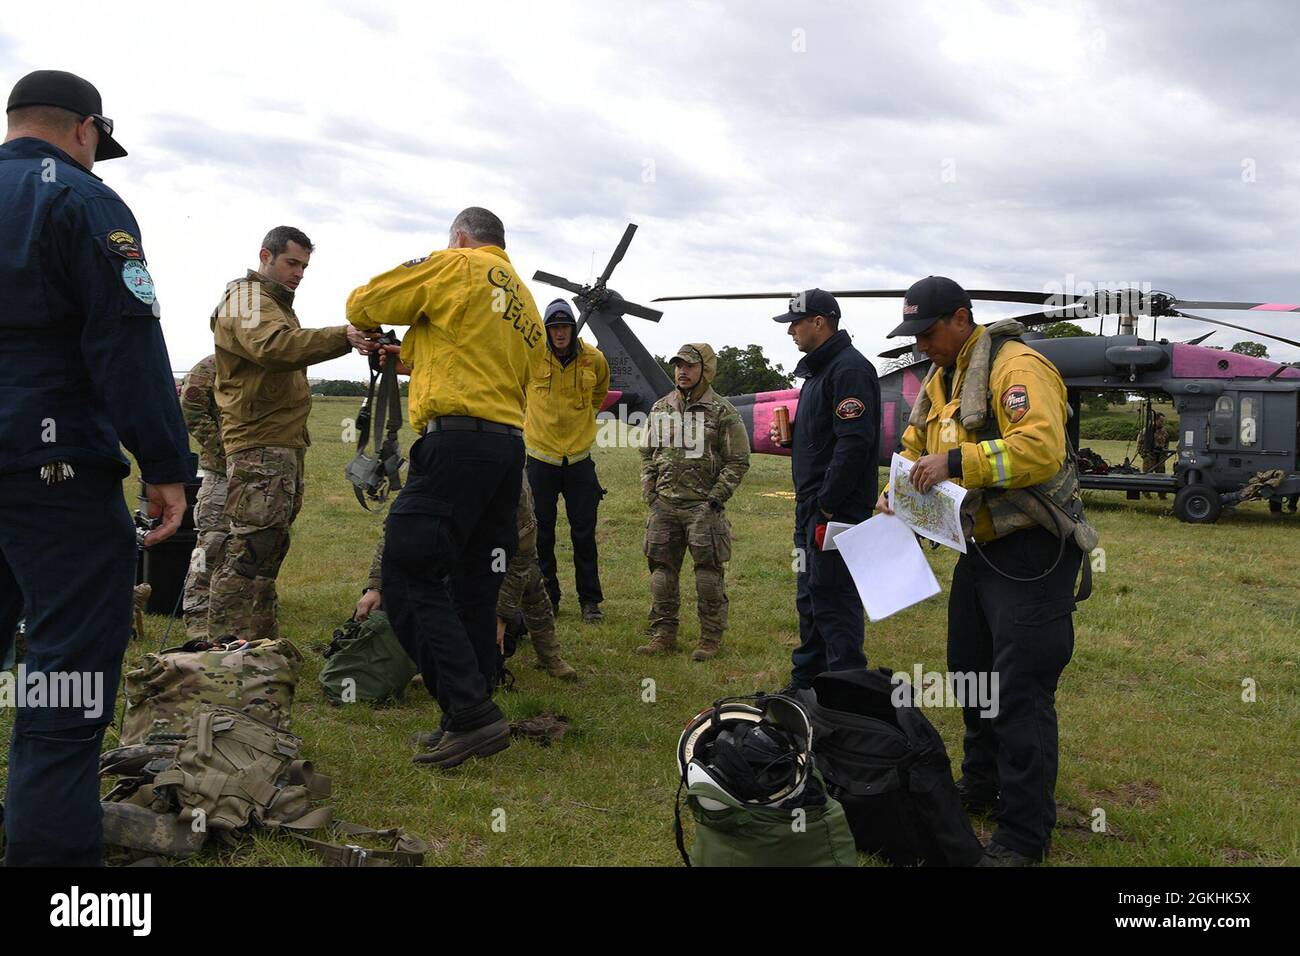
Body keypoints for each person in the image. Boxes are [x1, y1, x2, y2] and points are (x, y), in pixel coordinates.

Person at [0, 70, 195, 865]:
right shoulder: (83, 201)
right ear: (86, 130)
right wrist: (165, 461)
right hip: (52, 477)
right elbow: (125, 340)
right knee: (61, 679)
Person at [879, 275, 1095, 867]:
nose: (920, 344)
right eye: (914, 334)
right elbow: (913, 442)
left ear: (960, 317)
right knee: (971, 672)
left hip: (1032, 553)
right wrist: (894, 491)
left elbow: (1040, 449)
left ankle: (1023, 837)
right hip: (981, 550)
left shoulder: (1016, 368)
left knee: (1020, 691)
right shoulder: (942, 377)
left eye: (927, 332)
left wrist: (955, 460)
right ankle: (981, 786)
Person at [347, 206, 544, 769]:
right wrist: (413, 357)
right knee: (475, 586)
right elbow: (485, 361)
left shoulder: (456, 265)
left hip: (453, 445)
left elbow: (366, 302)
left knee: (407, 571)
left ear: (461, 237)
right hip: (505, 450)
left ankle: (468, 713)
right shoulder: (523, 301)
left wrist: (386, 326)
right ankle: (474, 707)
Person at [207, 227, 373, 642]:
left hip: (280, 444)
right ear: (266, 255)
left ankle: (260, 648)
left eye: (304, 266)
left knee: (269, 550)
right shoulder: (247, 300)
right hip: (258, 446)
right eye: (292, 263)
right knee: (247, 552)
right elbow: (275, 347)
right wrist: (344, 336)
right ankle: (220, 651)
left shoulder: (272, 302)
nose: (299, 273)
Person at [358, 473, 577, 685]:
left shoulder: (513, 487)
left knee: (531, 582)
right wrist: (375, 587)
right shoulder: (433, 468)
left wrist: (500, 616)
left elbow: (521, 562)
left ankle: (549, 655)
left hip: (501, 551)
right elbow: (398, 532)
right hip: (455, 547)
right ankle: (438, 662)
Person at [768, 289, 880, 693]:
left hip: (834, 511)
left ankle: (846, 691)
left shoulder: (848, 369)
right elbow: (831, 435)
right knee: (811, 596)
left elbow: (854, 444)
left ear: (820, 322)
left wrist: (829, 505)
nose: (791, 332)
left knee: (834, 601)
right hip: (812, 507)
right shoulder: (819, 372)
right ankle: (807, 684)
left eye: (795, 323)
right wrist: (798, 437)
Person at [637, 344, 751, 660]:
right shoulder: (660, 409)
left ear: (705, 370)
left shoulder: (722, 411)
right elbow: (647, 453)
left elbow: (738, 460)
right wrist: (651, 493)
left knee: (708, 575)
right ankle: (663, 635)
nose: (682, 371)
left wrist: (715, 499)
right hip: (664, 507)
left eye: (689, 366)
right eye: (678, 366)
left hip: (704, 508)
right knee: (661, 572)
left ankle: (710, 640)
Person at [524, 299, 611, 623]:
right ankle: (550, 598)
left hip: (579, 459)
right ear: (547, 330)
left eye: (565, 327)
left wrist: (585, 417)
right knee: (541, 533)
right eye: (554, 328)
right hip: (540, 457)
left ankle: (590, 602)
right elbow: (517, 389)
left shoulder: (594, 359)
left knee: (584, 533)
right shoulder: (531, 355)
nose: (560, 333)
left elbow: (600, 392)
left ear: (573, 328)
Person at [179, 354, 228, 639]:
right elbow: (192, 412)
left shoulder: (267, 361)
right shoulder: (210, 367)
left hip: (261, 474)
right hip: (222, 473)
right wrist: (224, 450)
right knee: (211, 543)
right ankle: (198, 614)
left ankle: (238, 610)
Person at [1137, 411, 1170, 500]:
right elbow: (1139, 445)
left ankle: (1162, 495)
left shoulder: (1164, 432)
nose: (1162, 423)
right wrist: (1145, 456)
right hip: (1149, 457)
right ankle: (1146, 493)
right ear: (1155, 420)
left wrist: (1164, 454)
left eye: (1163, 421)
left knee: (1161, 476)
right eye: (1161, 421)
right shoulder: (1146, 431)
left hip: (1160, 458)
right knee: (1147, 476)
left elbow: (1166, 444)